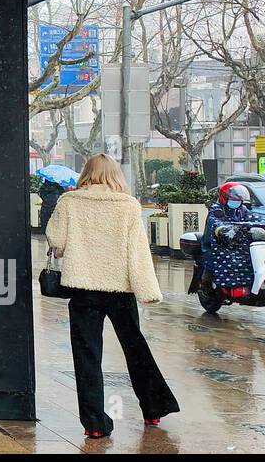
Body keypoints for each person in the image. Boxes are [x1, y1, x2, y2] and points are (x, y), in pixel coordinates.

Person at [46, 153, 179, 438]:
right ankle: (153, 409)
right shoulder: (128, 206)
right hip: (121, 291)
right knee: (136, 351)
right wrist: (147, 290)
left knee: (87, 357)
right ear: (116, 175)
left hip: (83, 290)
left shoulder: (69, 202)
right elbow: (138, 254)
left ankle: (95, 424)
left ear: (86, 173)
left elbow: (56, 240)